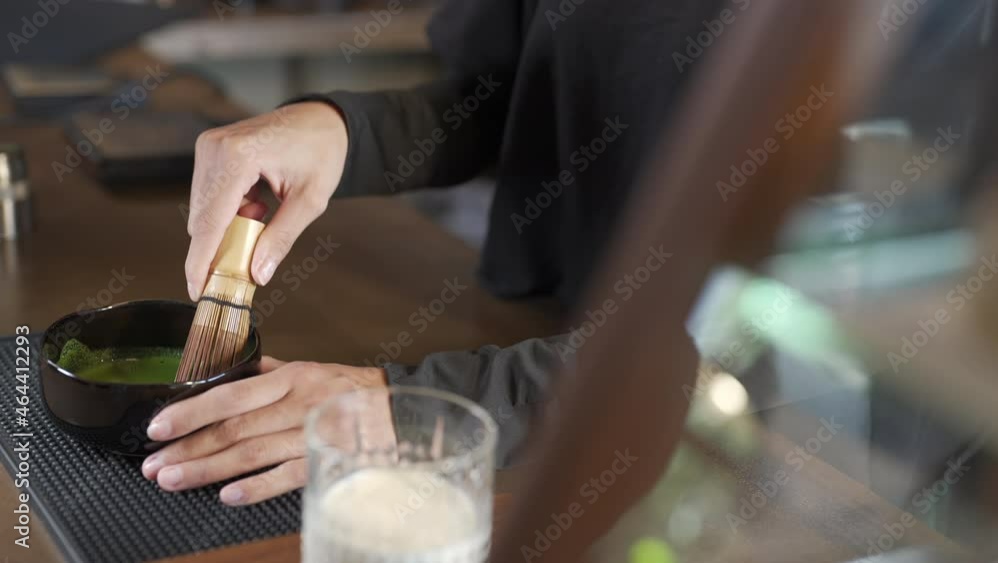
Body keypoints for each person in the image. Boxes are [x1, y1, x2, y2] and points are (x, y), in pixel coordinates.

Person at [141, 0, 724, 505]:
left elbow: (735, 350)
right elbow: (504, 97)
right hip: (542, 321)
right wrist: (344, 131)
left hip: (702, 444)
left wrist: (410, 410)